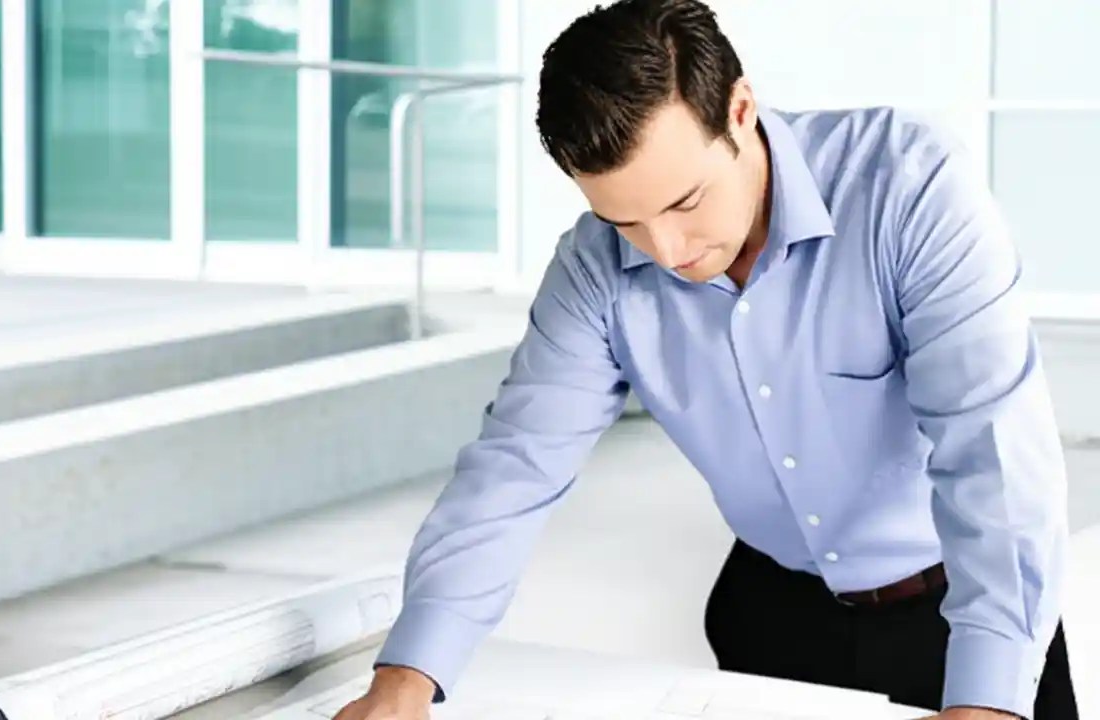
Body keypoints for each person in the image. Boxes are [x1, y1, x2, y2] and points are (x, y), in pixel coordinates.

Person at [335, 1, 1078, 718]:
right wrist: (407, 678)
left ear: (741, 111)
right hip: (775, 619)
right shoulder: (595, 270)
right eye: (625, 220)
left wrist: (988, 701)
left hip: (963, 616)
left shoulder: (908, 189)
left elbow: (995, 452)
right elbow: (514, 467)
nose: (667, 250)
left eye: (685, 202)